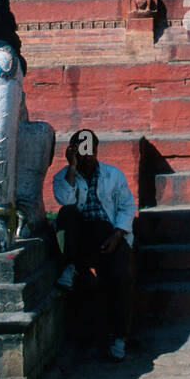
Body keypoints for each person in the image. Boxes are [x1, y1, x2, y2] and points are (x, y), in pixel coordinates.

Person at [51, 130, 136, 361]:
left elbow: (127, 208)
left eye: (92, 151)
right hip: (82, 237)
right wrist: (72, 168)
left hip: (110, 234)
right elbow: (65, 200)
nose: (88, 157)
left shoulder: (113, 175)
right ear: (73, 152)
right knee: (67, 213)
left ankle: (119, 338)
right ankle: (71, 266)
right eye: (82, 152)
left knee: (122, 277)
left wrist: (117, 236)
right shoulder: (63, 177)